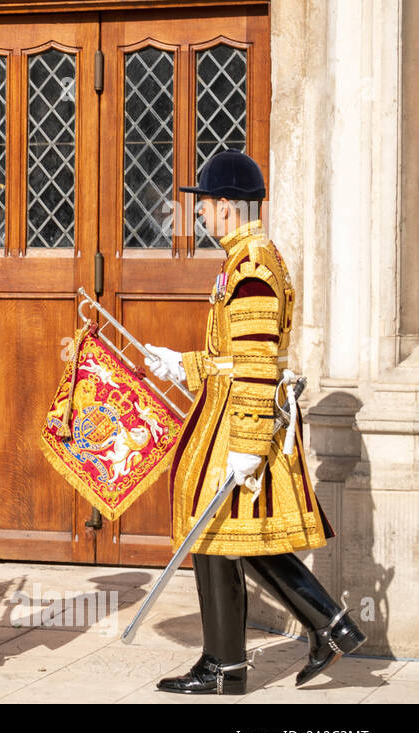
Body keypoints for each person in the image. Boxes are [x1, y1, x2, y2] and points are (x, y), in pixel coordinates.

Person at [145, 150, 366, 694]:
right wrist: (183, 363)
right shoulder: (244, 260)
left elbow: (258, 363)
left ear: (227, 207)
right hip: (226, 411)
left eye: (205, 206)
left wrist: (244, 445)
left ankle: (231, 662)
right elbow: (232, 356)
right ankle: (323, 629)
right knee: (232, 535)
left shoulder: (252, 267)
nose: (198, 216)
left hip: (238, 422)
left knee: (220, 532)